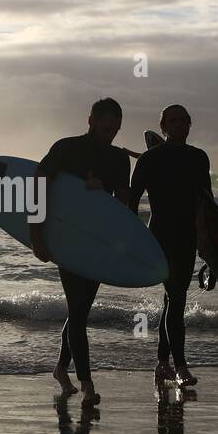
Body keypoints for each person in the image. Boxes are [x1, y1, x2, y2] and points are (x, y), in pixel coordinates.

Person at [31, 98, 130, 407]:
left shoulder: (118, 159)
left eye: (114, 130)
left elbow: (126, 207)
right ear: (90, 120)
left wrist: (105, 195)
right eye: (104, 128)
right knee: (77, 309)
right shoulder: (66, 149)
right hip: (66, 238)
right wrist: (37, 237)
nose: (109, 135)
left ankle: (61, 368)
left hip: (97, 241)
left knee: (80, 311)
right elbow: (38, 187)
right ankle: (87, 383)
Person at [129, 104, 212, 387]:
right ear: (163, 127)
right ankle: (180, 367)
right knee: (176, 300)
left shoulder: (199, 158)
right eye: (172, 121)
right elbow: (131, 201)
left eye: (182, 121)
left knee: (173, 300)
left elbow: (205, 204)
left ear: (190, 124)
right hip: (160, 237)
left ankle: (162, 364)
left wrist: (206, 241)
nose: (177, 125)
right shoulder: (150, 160)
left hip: (186, 238)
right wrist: (132, 240)